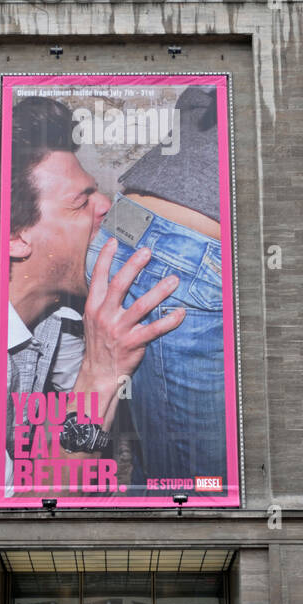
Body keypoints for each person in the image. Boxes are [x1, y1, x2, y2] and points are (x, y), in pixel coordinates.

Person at [4, 96, 186, 492]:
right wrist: (102, 371)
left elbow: (72, 446)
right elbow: (34, 508)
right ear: (17, 236)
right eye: (81, 202)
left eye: (96, 192)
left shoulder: (60, 317)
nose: (105, 204)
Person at [85, 85, 227, 491]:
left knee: (164, 473)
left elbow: (194, 101)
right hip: (181, 259)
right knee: (200, 491)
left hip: (132, 230)